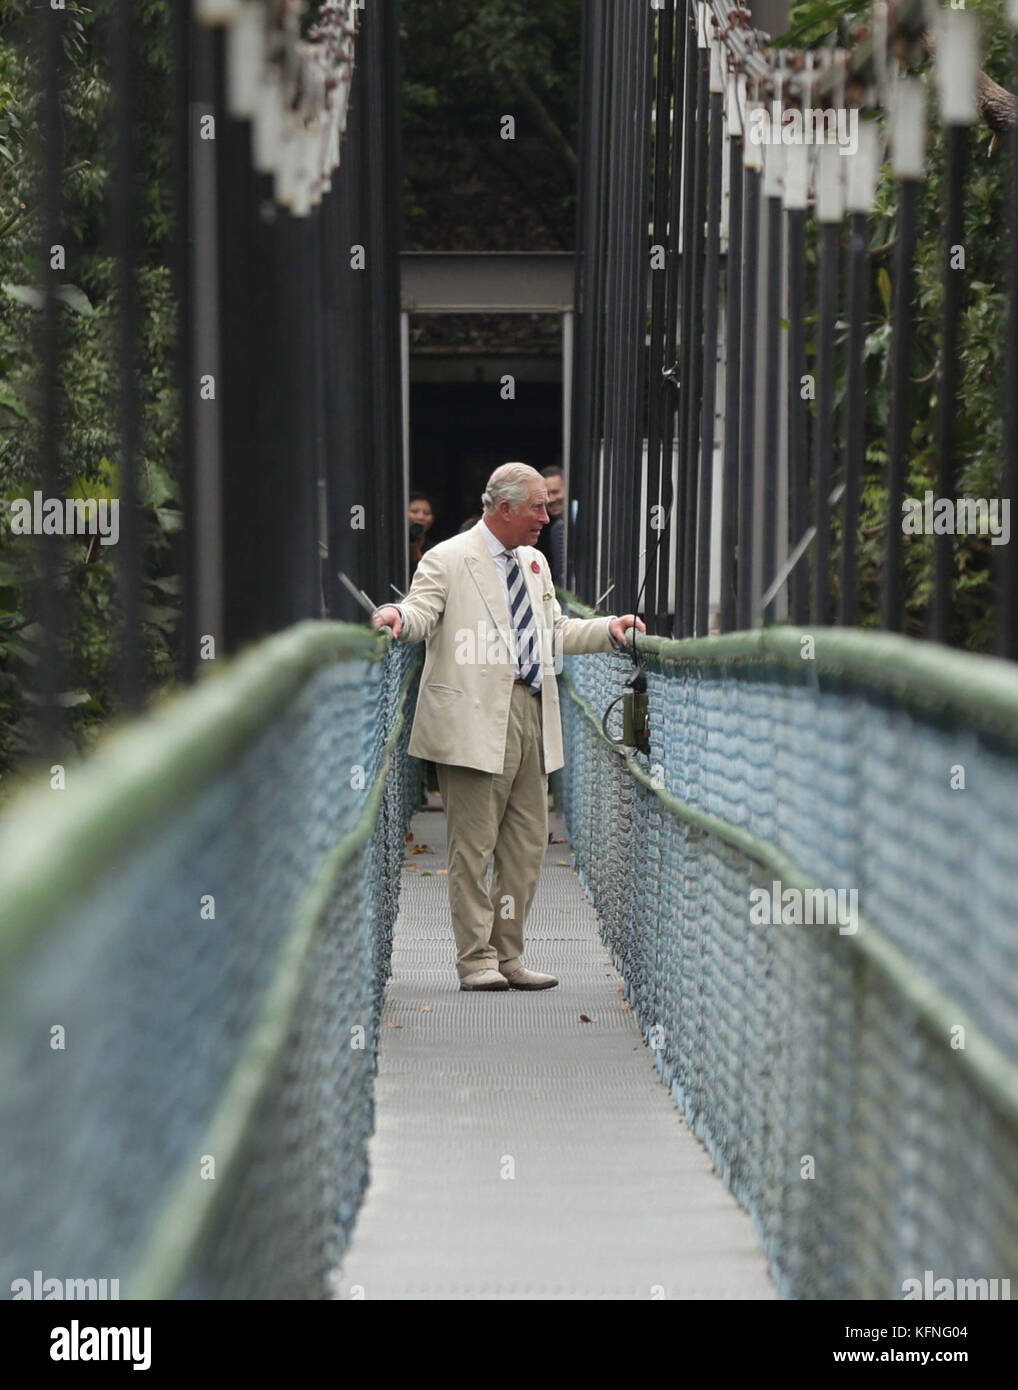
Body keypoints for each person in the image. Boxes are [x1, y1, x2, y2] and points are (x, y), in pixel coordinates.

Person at [372, 461, 646, 992]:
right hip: (472, 718)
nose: (547, 516)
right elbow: (421, 611)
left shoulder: (535, 562)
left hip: (532, 715)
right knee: (472, 848)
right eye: (537, 507)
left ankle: (508, 954)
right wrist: (396, 617)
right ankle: (476, 961)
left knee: (526, 847)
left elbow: (555, 630)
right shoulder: (447, 558)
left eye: (546, 505)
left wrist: (609, 629)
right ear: (504, 509)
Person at [408, 492, 435, 572]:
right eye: (414, 511)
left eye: (426, 513)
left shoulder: (435, 550)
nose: (421, 517)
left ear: (432, 519)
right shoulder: (391, 548)